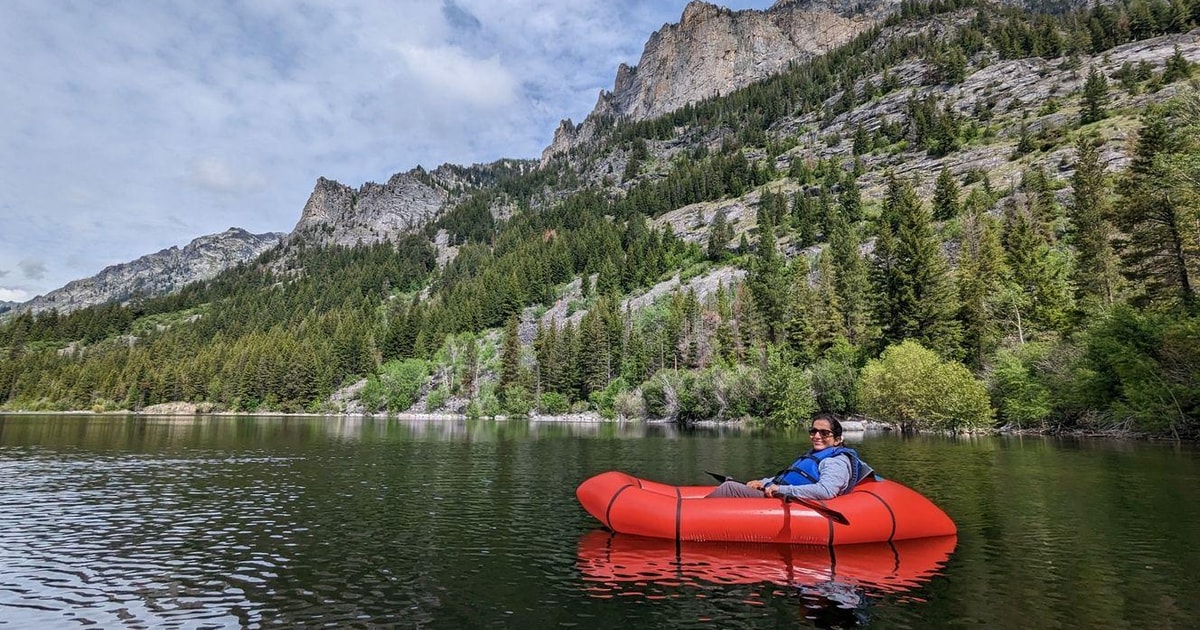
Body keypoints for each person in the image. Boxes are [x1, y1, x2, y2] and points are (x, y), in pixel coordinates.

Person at [706, 417, 875, 500]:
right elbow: (788, 477)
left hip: (786, 500)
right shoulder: (816, 454)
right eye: (813, 431)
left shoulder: (836, 461)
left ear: (837, 439)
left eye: (824, 433)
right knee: (730, 485)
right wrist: (763, 482)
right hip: (779, 495)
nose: (817, 436)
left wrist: (781, 490)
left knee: (729, 487)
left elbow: (826, 491)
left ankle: (688, 517)